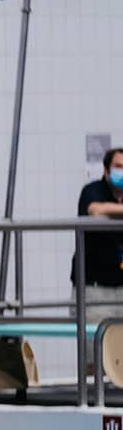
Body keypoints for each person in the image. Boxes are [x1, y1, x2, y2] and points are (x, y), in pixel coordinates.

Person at [74, 147, 123, 366]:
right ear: (106, 170)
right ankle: (92, 398)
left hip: (120, 285)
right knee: (95, 357)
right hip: (94, 289)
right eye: (118, 167)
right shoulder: (93, 190)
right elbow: (95, 210)